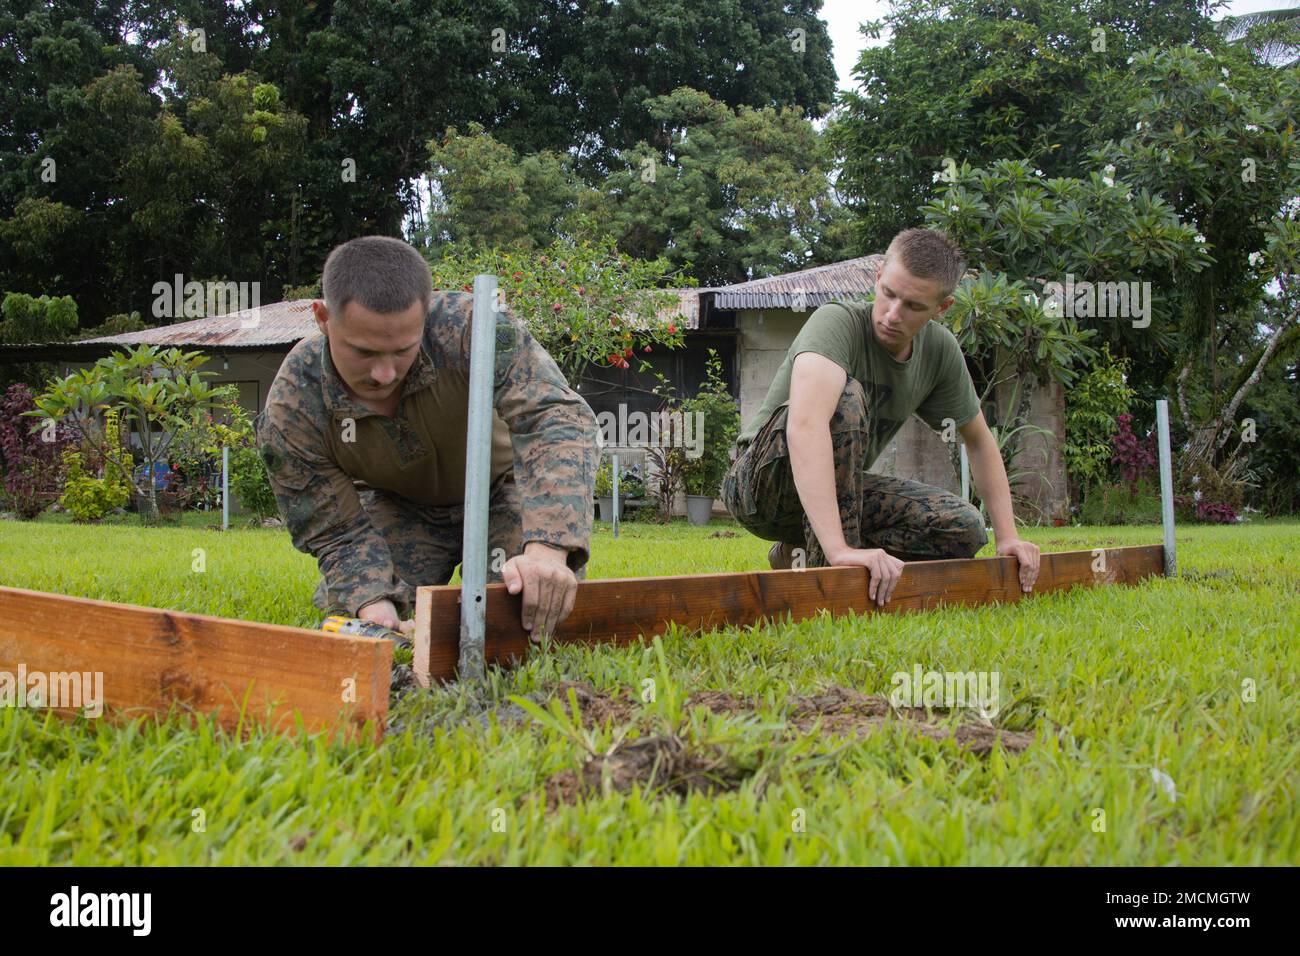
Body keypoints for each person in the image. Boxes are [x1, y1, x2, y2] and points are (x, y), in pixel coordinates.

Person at [255, 236, 598, 639]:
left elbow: (554, 418)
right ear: (322, 317)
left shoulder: (472, 327)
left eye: (403, 350)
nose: (384, 373)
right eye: (364, 352)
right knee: (364, 622)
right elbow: (335, 529)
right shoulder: (294, 402)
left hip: (503, 493)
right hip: (399, 508)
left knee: (518, 614)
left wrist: (547, 547)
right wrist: (373, 603)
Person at [722, 227, 1040, 606]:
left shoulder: (939, 352)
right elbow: (806, 426)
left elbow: (979, 441)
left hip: (842, 496)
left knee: (963, 528)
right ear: (878, 277)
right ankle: (829, 567)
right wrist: (839, 550)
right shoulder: (836, 322)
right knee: (846, 395)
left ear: (942, 308)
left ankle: (796, 552)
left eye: (913, 306)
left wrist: (1008, 538)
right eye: (888, 293)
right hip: (760, 486)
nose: (892, 315)